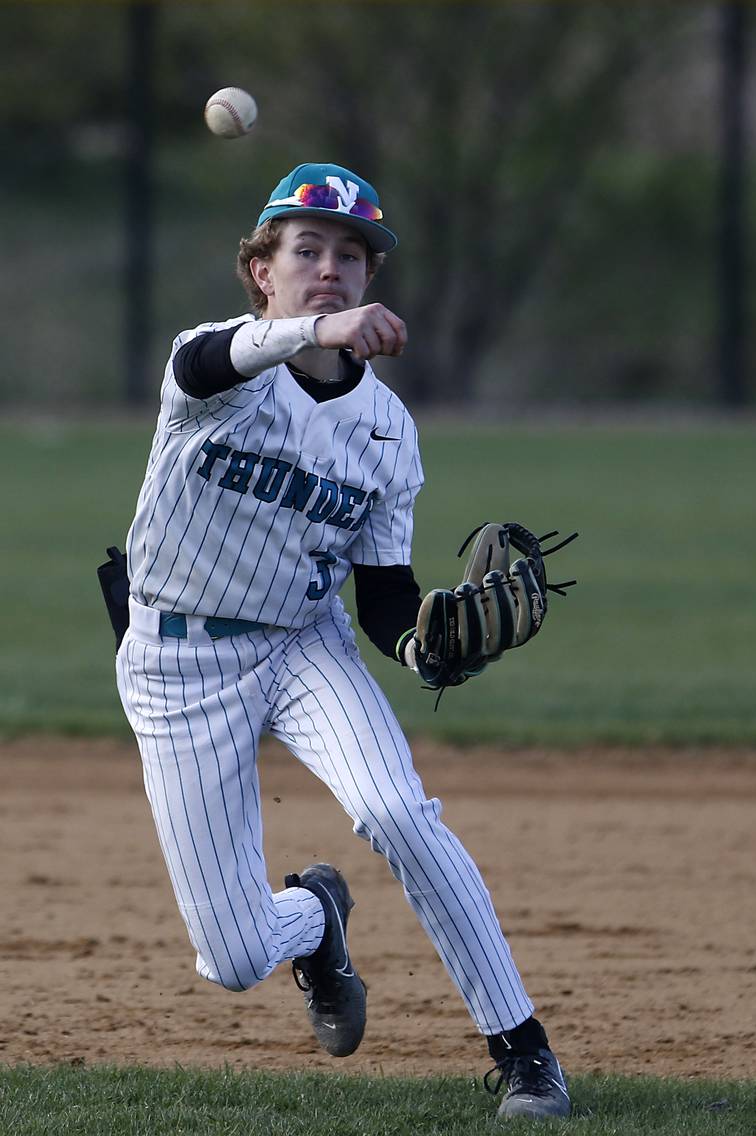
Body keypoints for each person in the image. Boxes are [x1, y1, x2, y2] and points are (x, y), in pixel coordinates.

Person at [113, 161, 571, 1122]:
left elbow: (385, 598)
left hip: (304, 645)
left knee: (399, 813)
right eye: (306, 249)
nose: (330, 267)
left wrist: (423, 647)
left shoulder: (388, 430)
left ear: (369, 275)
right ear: (261, 271)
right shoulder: (211, 367)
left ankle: (525, 1052)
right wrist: (318, 334)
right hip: (177, 661)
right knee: (236, 957)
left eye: (350, 255)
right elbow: (213, 363)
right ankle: (316, 918)